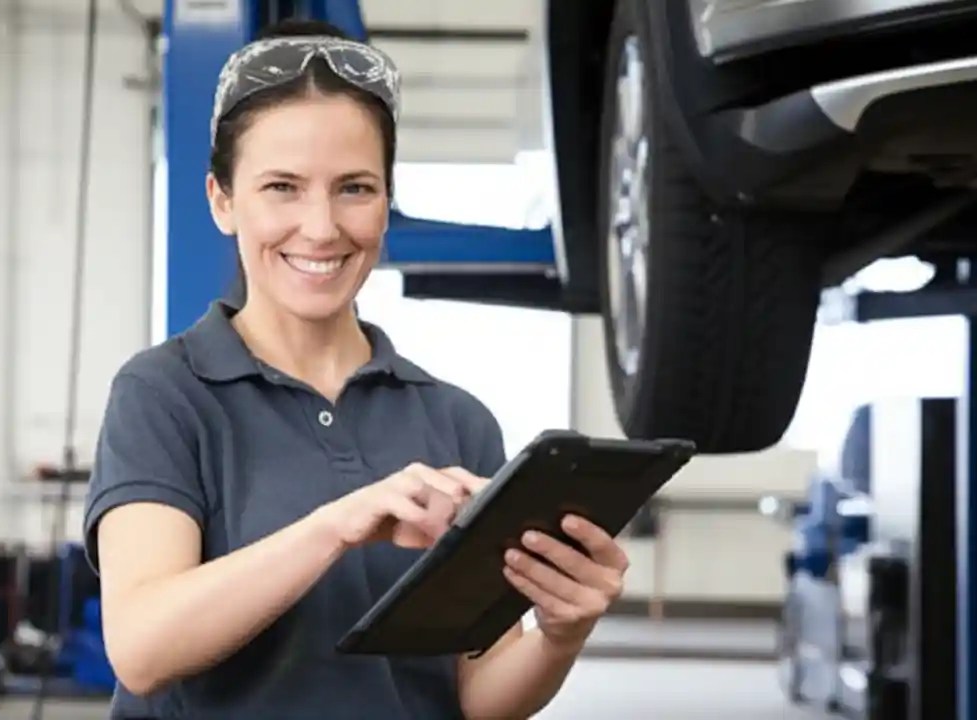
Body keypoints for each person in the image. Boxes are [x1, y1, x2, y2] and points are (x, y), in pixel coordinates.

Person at [83, 19, 630, 719]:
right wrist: (337, 526)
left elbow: (478, 697)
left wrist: (561, 632)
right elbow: (142, 648)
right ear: (222, 200)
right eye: (282, 187)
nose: (320, 226)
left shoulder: (455, 422)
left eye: (354, 188)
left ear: (386, 199)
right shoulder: (164, 395)